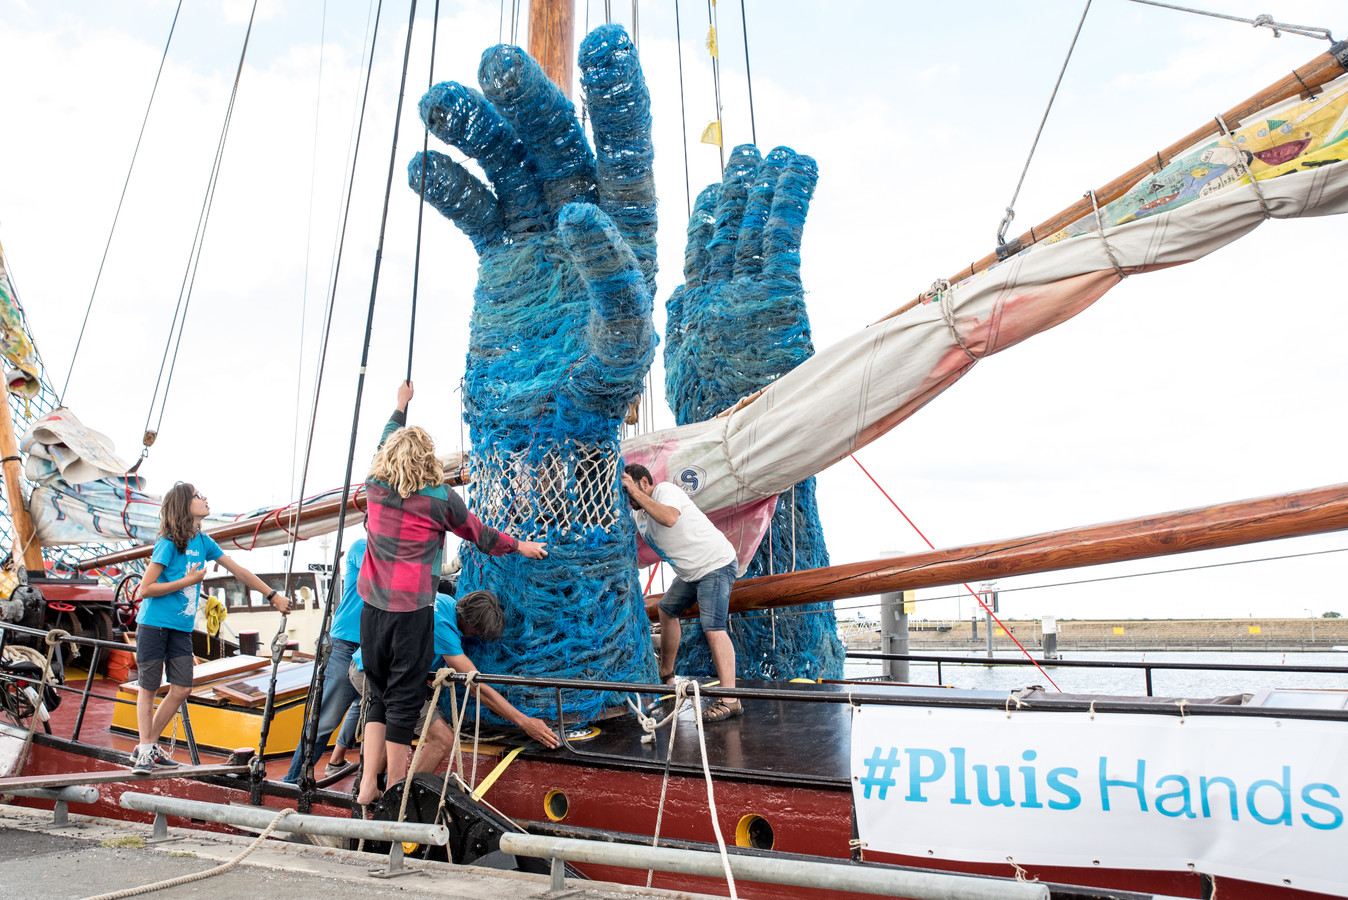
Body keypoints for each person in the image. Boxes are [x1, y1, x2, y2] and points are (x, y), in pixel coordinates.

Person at [357, 381, 547, 806]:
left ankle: (368, 785)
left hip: (371, 612)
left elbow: (385, 437)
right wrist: (521, 546)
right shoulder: (441, 500)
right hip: (411, 614)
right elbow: (481, 536)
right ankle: (395, 795)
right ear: (429, 460)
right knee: (404, 702)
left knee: (378, 694)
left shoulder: (374, 485)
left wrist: (400, 405)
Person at [133, 482, 291, 774]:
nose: (205, 498)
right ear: (184, 505)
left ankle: (146, 745)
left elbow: (238, 570)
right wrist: (187, 582)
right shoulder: (168, 543)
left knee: (181, 688)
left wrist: (272, 596)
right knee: (150, 687)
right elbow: (145, 589)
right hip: (153, 626)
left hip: (180, 629)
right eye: (197, 496)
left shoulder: (204, 541)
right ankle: (145, 750)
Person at [622, 463, 742, 722]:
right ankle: (666, 674)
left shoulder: (665, 491)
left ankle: (731, 699)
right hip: (690, 573)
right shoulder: (638, 513)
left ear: (644, 483)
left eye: (631, 492)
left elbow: (669, 518)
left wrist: (635, 492)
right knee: (666, 610)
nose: (630, 500)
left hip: (715, 564)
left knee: (713, 627)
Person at [282, 537, 367, 784]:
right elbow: (377, 575)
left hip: (376, 646)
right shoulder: (360, 546)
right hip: (347, 646)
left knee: (371, 715)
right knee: (324, 721)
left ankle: (362, 777)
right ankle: (293, 781)